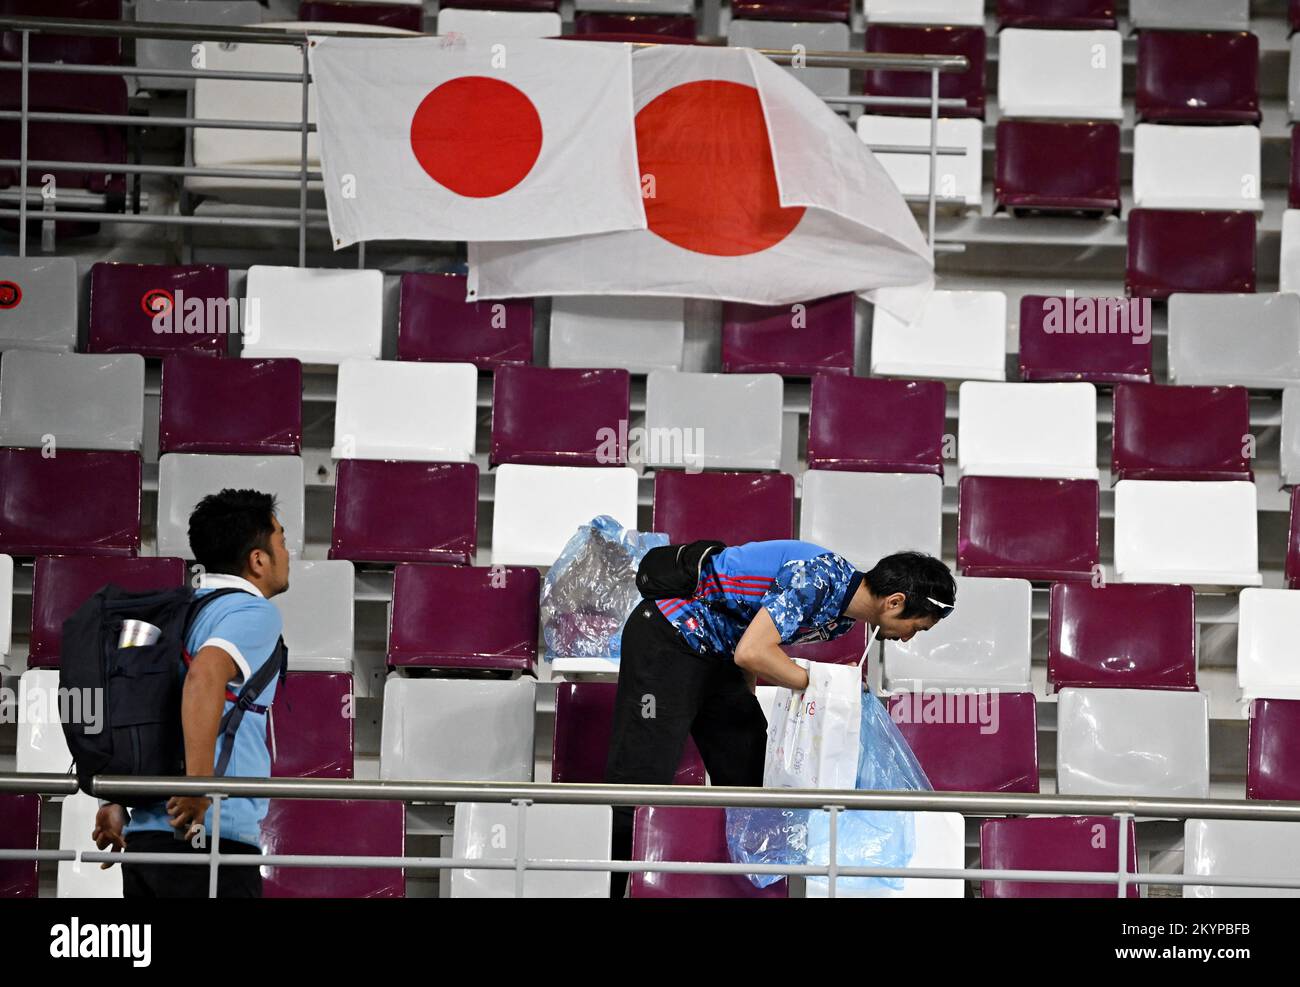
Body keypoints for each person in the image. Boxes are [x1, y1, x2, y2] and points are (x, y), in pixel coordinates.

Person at [604, 542, 956, 896]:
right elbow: (753, 651)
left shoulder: (841, 622)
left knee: (752, 779)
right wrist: (824, 685)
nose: (909, 637)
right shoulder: (818, 578)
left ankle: (745, 890)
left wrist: (749, 701)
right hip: (669, 633)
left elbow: (751, 644)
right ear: (894, 602)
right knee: (641, 778)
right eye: (916, 627)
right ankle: (617, 887)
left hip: (721, 656)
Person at [92, 488, 291, 898]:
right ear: (258, 560)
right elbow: (204, 676)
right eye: (282, 541)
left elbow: (126, 702)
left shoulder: (171, 612)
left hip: (144, 841)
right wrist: (199, 785)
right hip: (209, 838)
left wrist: (112, 801)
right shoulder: (253, 613)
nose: (288, 554)